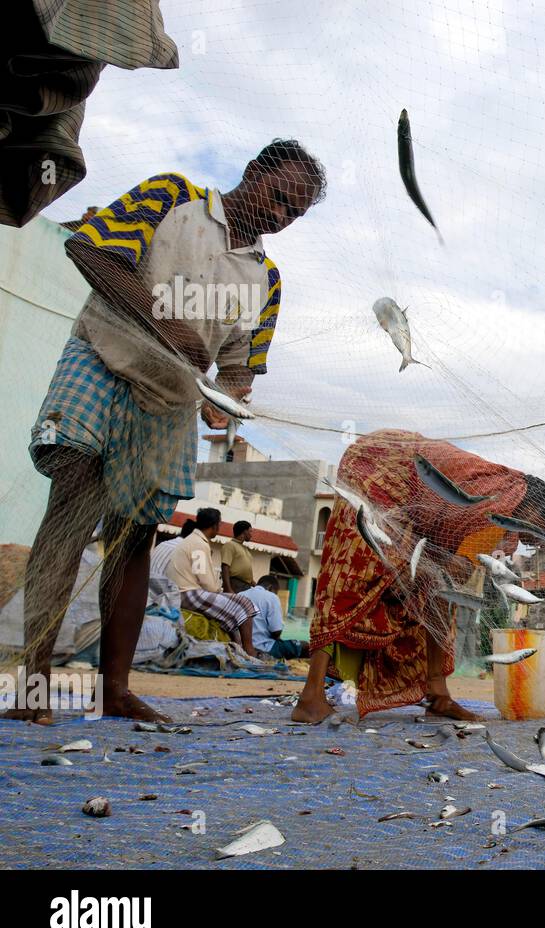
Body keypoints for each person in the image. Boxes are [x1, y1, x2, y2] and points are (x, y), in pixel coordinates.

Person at [5, 139, 325, 724]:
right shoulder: (173, 196)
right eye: (278, 198)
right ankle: (34, 684)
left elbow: (237, 367)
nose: (280, 217)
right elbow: (91, 249)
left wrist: (225, 404)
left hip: (169, 399)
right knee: (72, 503)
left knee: (134, 540)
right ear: (253, 172)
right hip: (104, 356)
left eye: (293, 214)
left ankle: (116, 690)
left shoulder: (266, 279)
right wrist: (162, 319)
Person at [292, 430, 545, 723]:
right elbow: (458, 564)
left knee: (436, 590)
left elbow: (451, 565)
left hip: (409, 493)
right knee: (356, 575)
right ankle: (310, 697)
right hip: (381, 465)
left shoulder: (508, 510)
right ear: (538, 512)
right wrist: (463, 568)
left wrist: (458, 569)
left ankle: (438, 694)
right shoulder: (500, 501)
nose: (542, 543)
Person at [166, 507, 257, 656]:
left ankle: (239, 646)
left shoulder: (194, 540)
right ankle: (249, 650)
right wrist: (220, 591)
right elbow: (206, 582)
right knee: (244, 604)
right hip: (187, 593)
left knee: (238, 606)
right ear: (215, 525)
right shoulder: (198, 544)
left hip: (185, 591)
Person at [243, 575, 304, 661]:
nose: (275, 594)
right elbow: (276, 632)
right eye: (276, 592)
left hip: (241, 647)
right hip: (264, 648)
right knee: (303, 645)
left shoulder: (240, 594)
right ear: (270, 587)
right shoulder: (271, 597)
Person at [221, 520, 255, 593]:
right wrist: (228, 588)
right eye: (250, 531)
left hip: (246, 586)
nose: (251, 535)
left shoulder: (245, 548)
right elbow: (225, 567)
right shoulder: (230, 545)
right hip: (235, 585)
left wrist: (257, 586)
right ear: (245, 532)